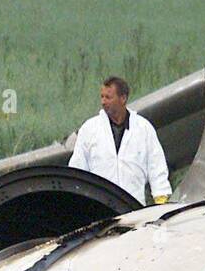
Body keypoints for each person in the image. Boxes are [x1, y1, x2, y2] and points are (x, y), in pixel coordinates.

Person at [67, 76, 171, 205]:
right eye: (102, 97)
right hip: (99, 208)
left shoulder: (143, 129)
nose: (103, 102)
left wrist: (161, 200)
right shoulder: (89, 129)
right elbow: (77, 170)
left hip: (134, 208)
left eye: (108, 97)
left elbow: (157, 167)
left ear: (123, 98)